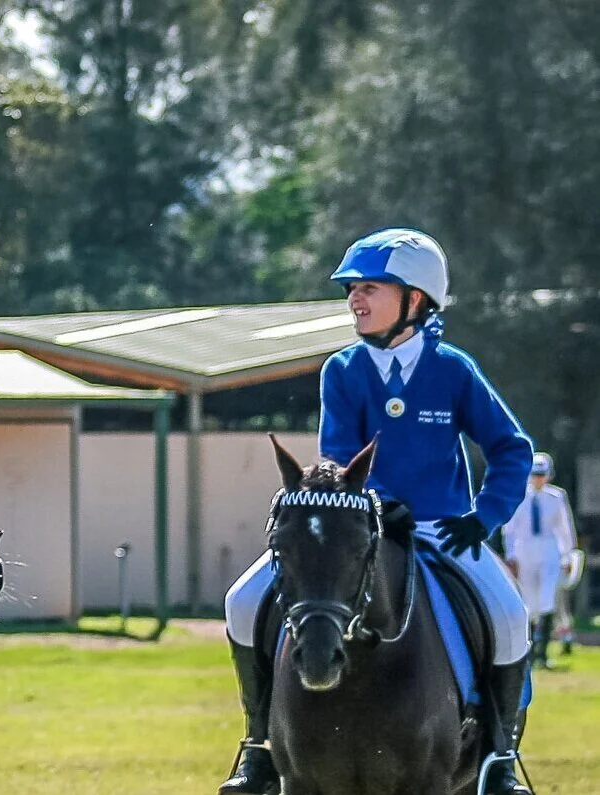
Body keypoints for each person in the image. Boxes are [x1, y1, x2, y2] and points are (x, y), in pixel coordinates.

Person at [218, 228, 537, 795]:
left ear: (415, 299)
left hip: (443, 531)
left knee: (510, 617)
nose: (355, 299)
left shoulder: (454, 370)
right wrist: (377, 505)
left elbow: (512, 449)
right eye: (351, 290)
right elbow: (341, 456)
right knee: (241, 603)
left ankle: (499, 759)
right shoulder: (342, 370)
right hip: (361, 526)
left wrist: (483, 518)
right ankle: (259, 747)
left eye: (369, 288)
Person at [504, 452, 578, 669]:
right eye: (535, 474)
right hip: (525, 552)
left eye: (541, 474)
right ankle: (527, 653)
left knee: (547, 599)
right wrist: (511, 556)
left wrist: (567, 555)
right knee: (527, 601)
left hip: (548, 552)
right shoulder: (518, 495)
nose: (538, 479)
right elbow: (510, 530)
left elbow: (564, 528)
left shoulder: (556, 497)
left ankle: (543, 653)